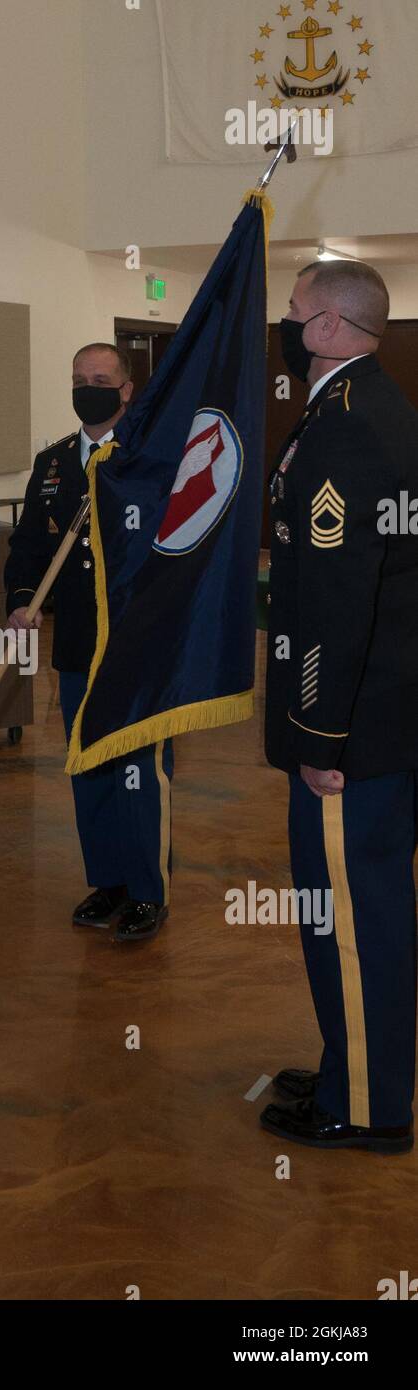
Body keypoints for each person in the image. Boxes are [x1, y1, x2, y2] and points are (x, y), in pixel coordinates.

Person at [261, 261, 418, 1153]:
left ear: (326, 327)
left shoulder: (344, 430)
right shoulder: (376, 409)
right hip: (389, 712)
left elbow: (332, 599)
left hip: (352, 728)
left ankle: (366, 1104)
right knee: (371, 905)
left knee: (352, 917)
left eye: (291, 315)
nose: (286, 328)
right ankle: (354, 1062)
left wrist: (317, 736)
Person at [5, 343, 173, 943]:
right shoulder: (52, 463)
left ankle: (149, 891)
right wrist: (22, 599)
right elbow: (27, 545)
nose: (87, 388)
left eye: (100, 379)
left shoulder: (152, 460)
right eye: (78, 379)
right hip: (77, 643)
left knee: (138, 768)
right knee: (89, 766)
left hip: (137, 645)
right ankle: (108, 881)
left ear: (126, 389)